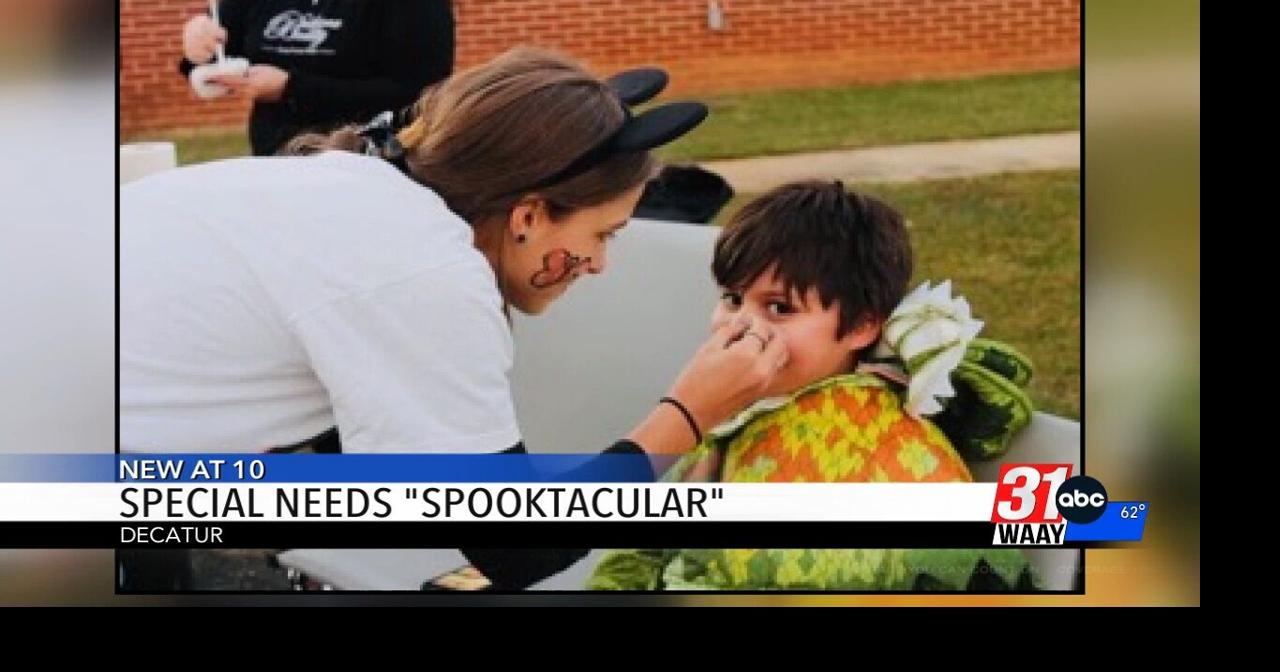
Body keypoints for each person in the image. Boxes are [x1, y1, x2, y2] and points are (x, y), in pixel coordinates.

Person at [121, 47, 789, 589]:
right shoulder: (425, 269)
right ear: (527, 217)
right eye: (604, 235)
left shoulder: (360, 192)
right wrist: (689, 412)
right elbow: (518, 548)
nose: (600, 264)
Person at [588, 181, 1039, 591]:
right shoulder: (747, 412)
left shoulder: (853, 448)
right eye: (731, 299)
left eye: (780, 308)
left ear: (863, 325)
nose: (741, 328)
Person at [178, 0, 455, 155]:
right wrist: (198, 50)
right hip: (276, 158)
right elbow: (218, 61)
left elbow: (420, 90)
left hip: (376, 161)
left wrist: (292, 88)